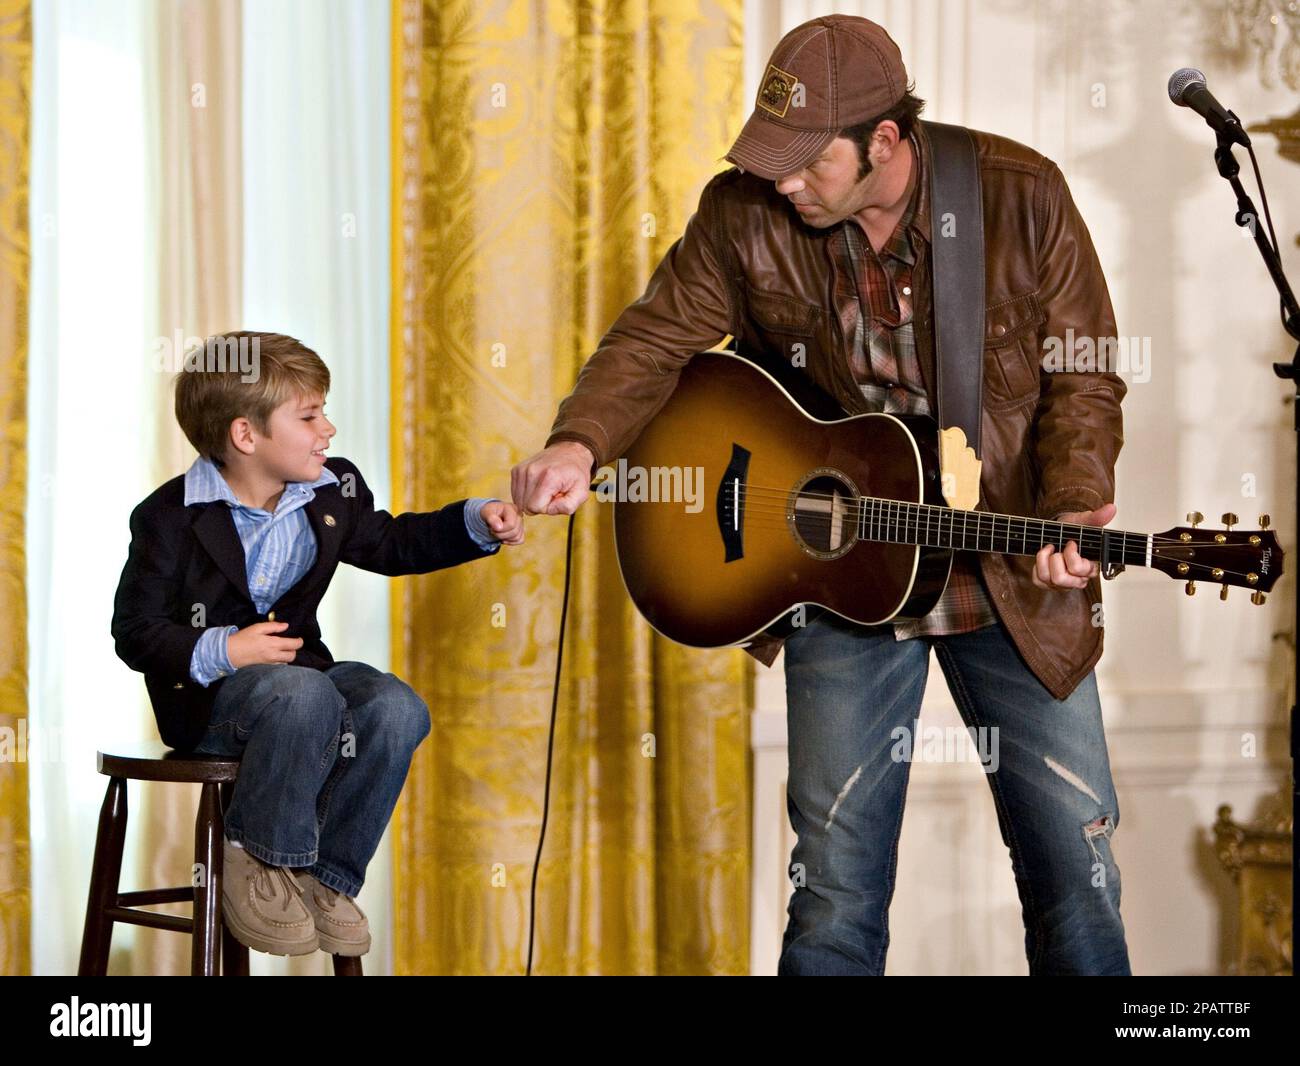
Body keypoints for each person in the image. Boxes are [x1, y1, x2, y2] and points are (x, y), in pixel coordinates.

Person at [511, 15, 1130, 975]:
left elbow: (1083, 379)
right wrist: (578, 440)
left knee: (1075, 880)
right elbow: (653, 339)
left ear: (886, 141)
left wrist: (1075, 505)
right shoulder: (744, 212)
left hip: (1009, 576)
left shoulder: (1019, 197)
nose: (785, 182)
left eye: (808, 163)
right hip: (841, 568)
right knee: (833, 895)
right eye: (774, 160)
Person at [112, 331, 524, 958]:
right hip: (213, 707)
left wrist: (475, 520)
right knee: (300, 693)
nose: (328, 429)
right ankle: (261, 860)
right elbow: (135, 631)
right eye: (308, 416)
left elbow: (389, 543)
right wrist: (227, 648)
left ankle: (327, 877)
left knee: (394, 705)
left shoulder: (332, 490)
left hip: (304, 685)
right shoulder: (168, 515)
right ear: (246, 436)